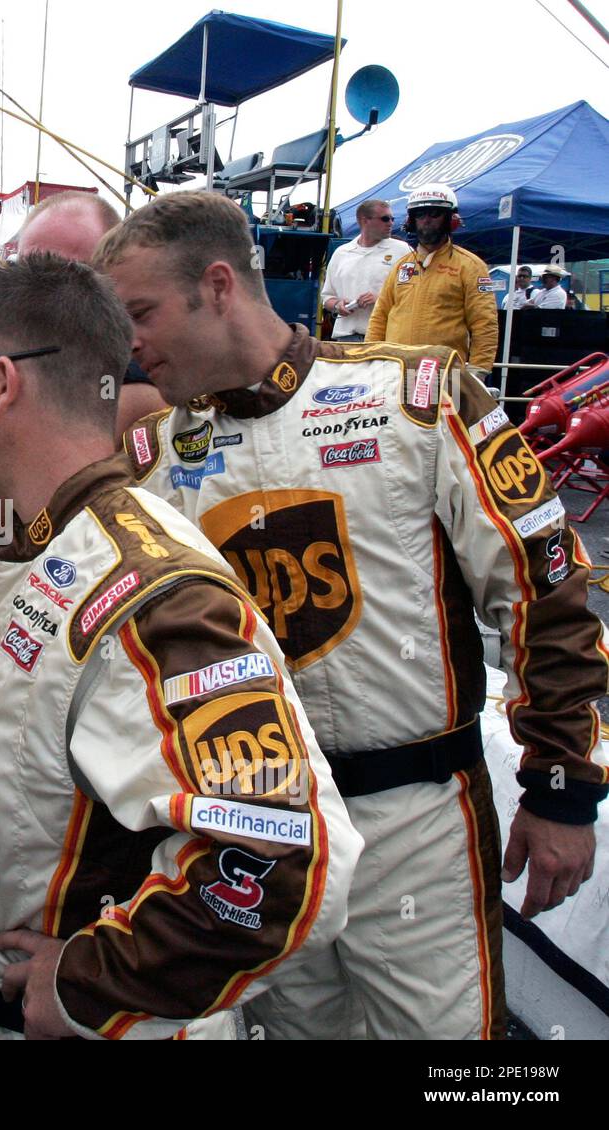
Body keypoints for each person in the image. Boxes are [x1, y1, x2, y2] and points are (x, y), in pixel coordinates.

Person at [95, 190, 609, 1039]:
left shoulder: (420, 397)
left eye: (140, 314)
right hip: (263, 836)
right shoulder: (151, 455)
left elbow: (544, 589)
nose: (129, 345)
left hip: (418, 821)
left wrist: (561, 787)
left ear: (219, 286)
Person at [0, 253, 361, 1040]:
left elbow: (290, 863)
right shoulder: (41, 542)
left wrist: (92, 983)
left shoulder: (149, 591)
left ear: (2, 384)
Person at [17, 189, 167, 442]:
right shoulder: (23, 358)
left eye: (71, 275)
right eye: (26, 273)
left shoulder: (131, 386)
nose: (41, 293)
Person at [367, 183, 498, 372]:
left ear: (450, 219)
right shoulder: (401, 266)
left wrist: (478, 370)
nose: (426, 220)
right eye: (420, 215)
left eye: (435, 214)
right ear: (411, 220)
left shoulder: (471, 266)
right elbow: (379, 317)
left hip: (443, 372)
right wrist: (370, 359)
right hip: (394, 369)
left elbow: (485, 324)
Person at [320, 198, 410, 342]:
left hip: (386, 336)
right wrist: (338, 305)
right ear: (364, 220)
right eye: (385, 219)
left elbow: (412, 294)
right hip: (347, 337)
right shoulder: (342, 253)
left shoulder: (402, 251)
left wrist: (380, 300)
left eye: (392, 219)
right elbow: (326, 297)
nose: (391, 223)